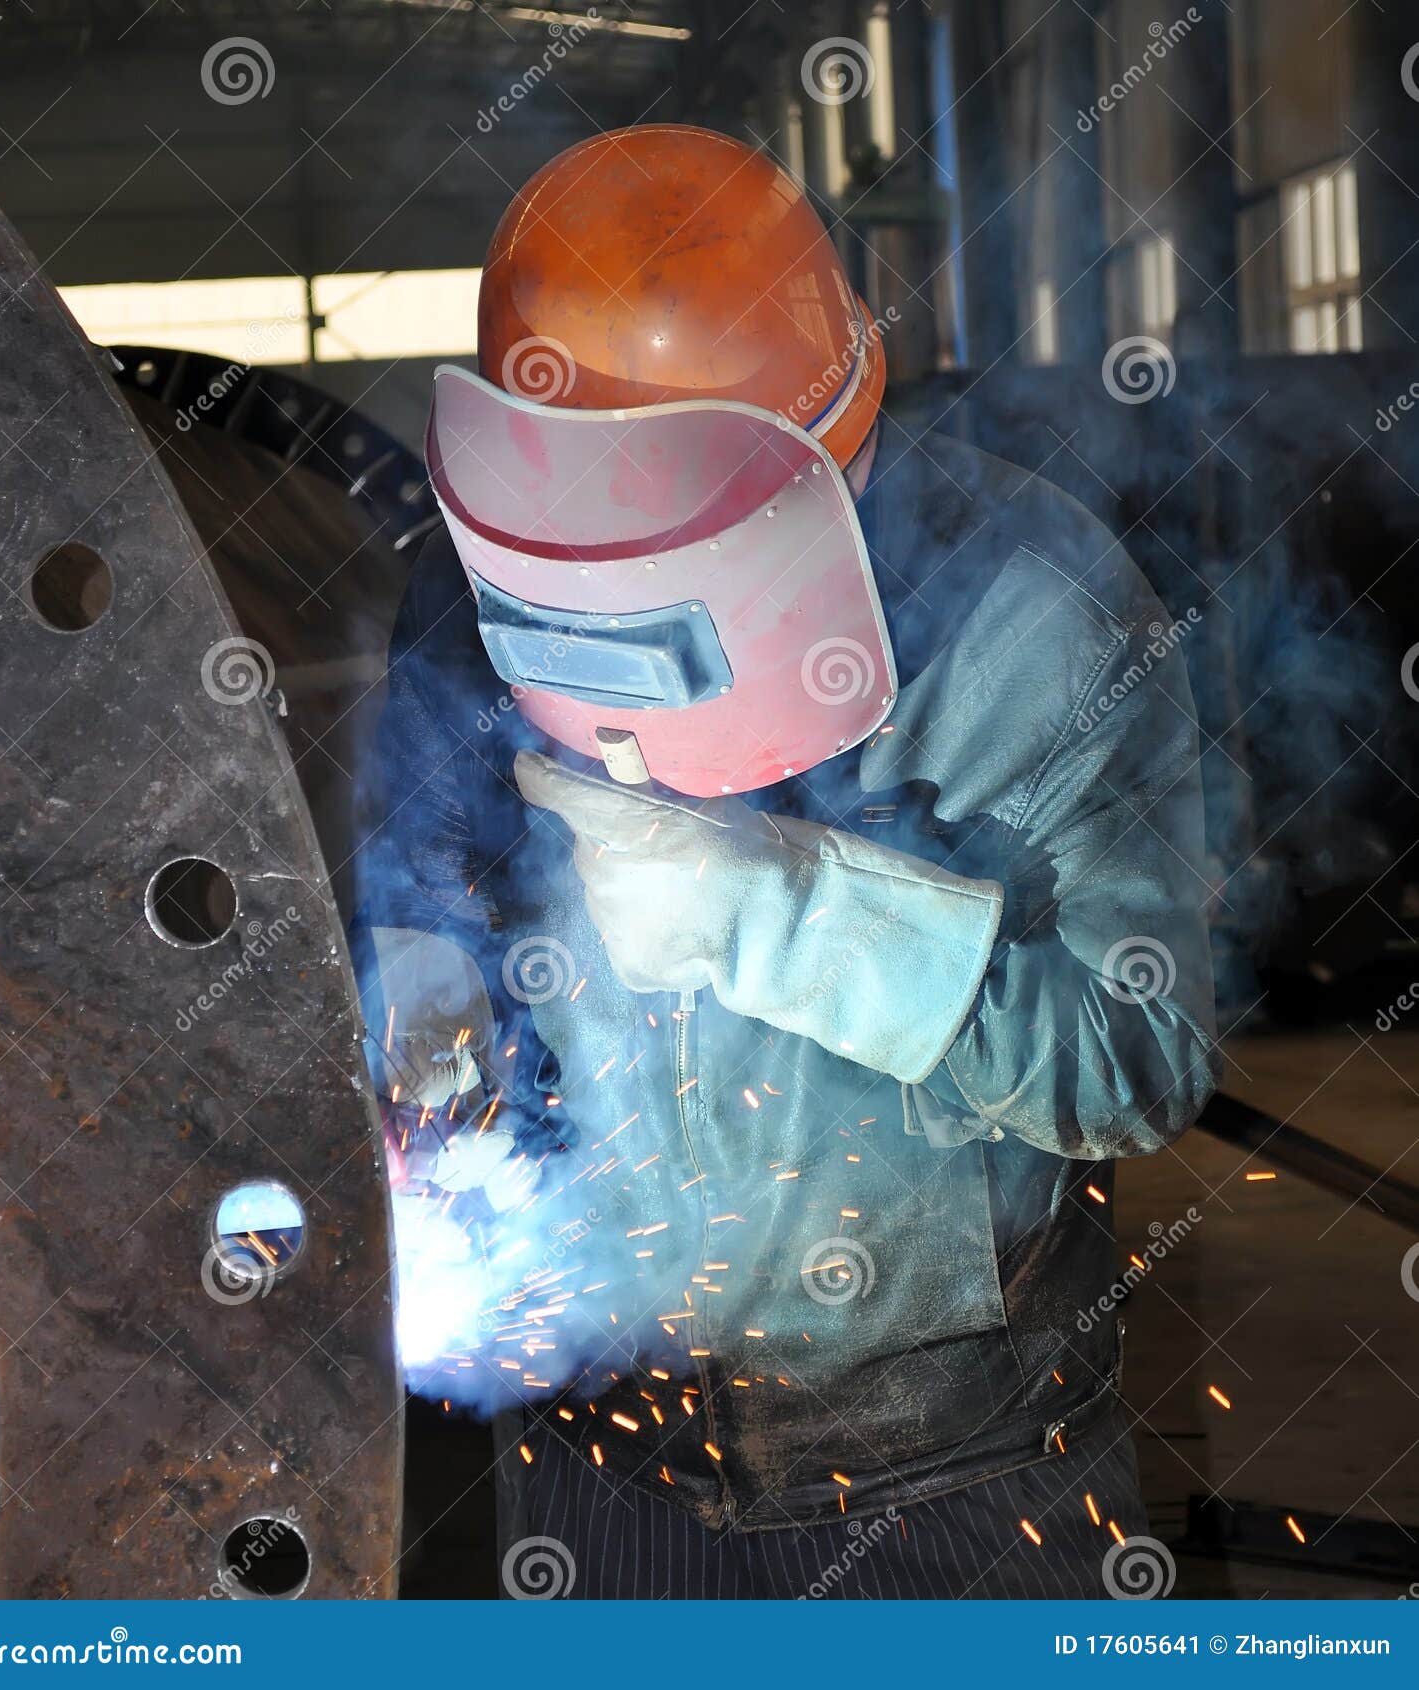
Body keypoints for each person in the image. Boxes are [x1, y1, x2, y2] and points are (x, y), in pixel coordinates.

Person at [356, 124, 1219, 1599]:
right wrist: (427, 986)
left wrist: (775, 911)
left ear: (832, 445)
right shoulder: (477, 574)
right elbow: (424, 842)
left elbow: (1138, 1056)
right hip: (594, 1455)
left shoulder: (1040, 624)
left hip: (946, 1469)